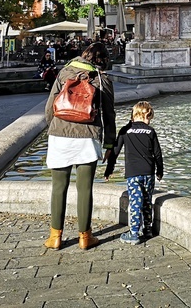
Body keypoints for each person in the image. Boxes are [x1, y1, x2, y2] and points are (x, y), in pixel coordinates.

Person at [43, 43, 116, 251]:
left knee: (58, 187)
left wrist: (54, 127)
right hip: (88, 138)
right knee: (84, 189)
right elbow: (109, 115)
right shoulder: (102, 79)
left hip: (59, 136)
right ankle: (85, 237)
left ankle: (55, 237)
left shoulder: (64, 72)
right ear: (103, 60)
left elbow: (49, 107)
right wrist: (109, 143)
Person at [105, 100, 164, 245]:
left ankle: (134, 233)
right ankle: (148, 229)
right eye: (149, 118)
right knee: (147, 201)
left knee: (136, 202)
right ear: (146, 115)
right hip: (148, 173)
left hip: (133, 174)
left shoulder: (125, 130)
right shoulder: (150, 131)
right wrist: (160, 171)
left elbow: (115, 152)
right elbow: (157, 153)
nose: (149, 121)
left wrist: (109, 169)